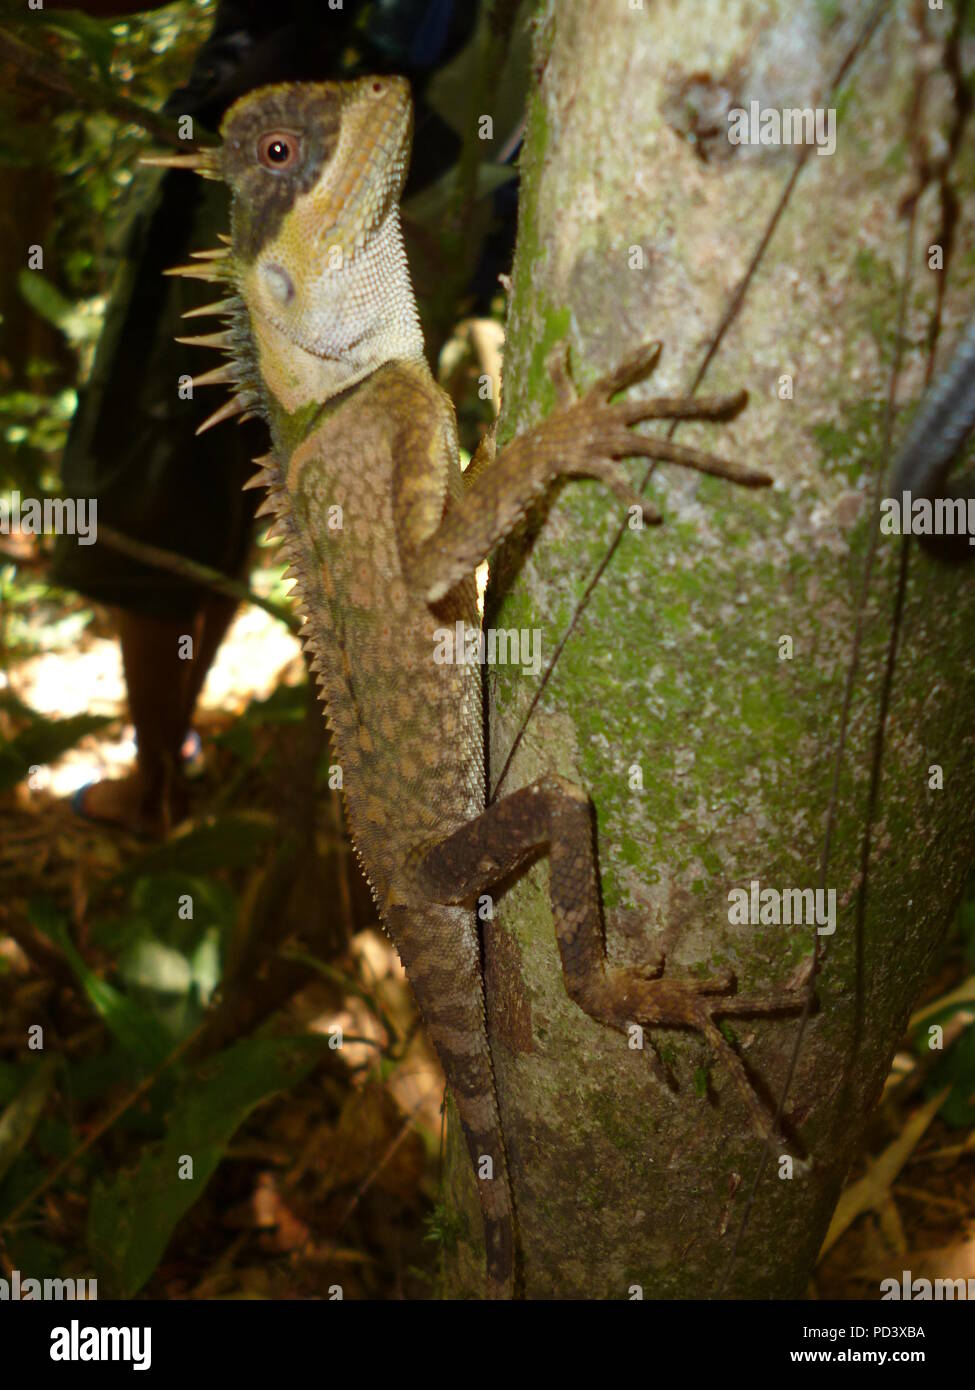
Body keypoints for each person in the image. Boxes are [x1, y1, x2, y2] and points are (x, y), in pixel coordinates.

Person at [49, 0, 490, 836]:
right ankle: (169, 758)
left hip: (283, 212)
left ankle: (154, 788)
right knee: (242, 485)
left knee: (160, 490)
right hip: (327, 214)